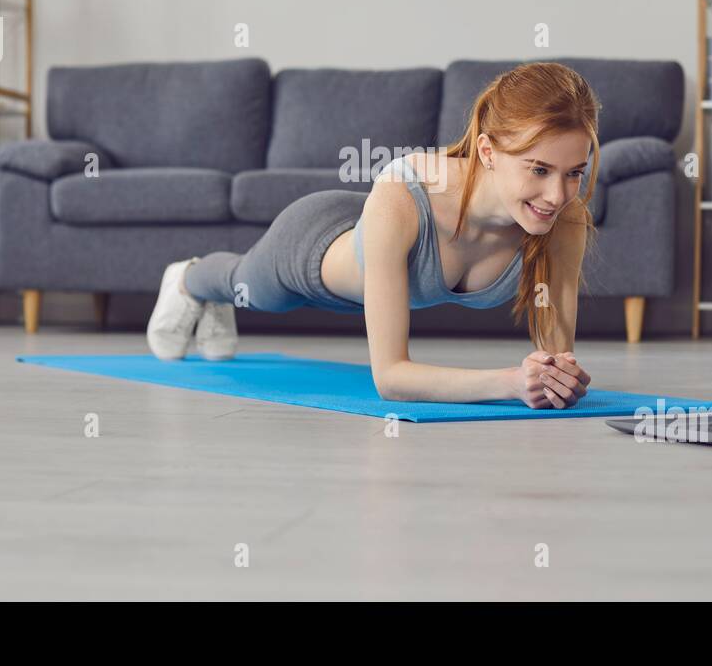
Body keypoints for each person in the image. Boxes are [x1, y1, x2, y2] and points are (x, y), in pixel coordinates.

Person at [146, 61, 600, 409]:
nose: (556, 194)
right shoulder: (405, 191)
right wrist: (509, 383)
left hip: (374, 236)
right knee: (248, 285)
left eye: (573, 173)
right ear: (488, 151)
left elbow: (556, 360)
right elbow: (390, 379)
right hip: (312, 246)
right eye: (539, 170)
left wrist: (556, 379)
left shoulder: (565, 218)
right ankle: (187, 278)